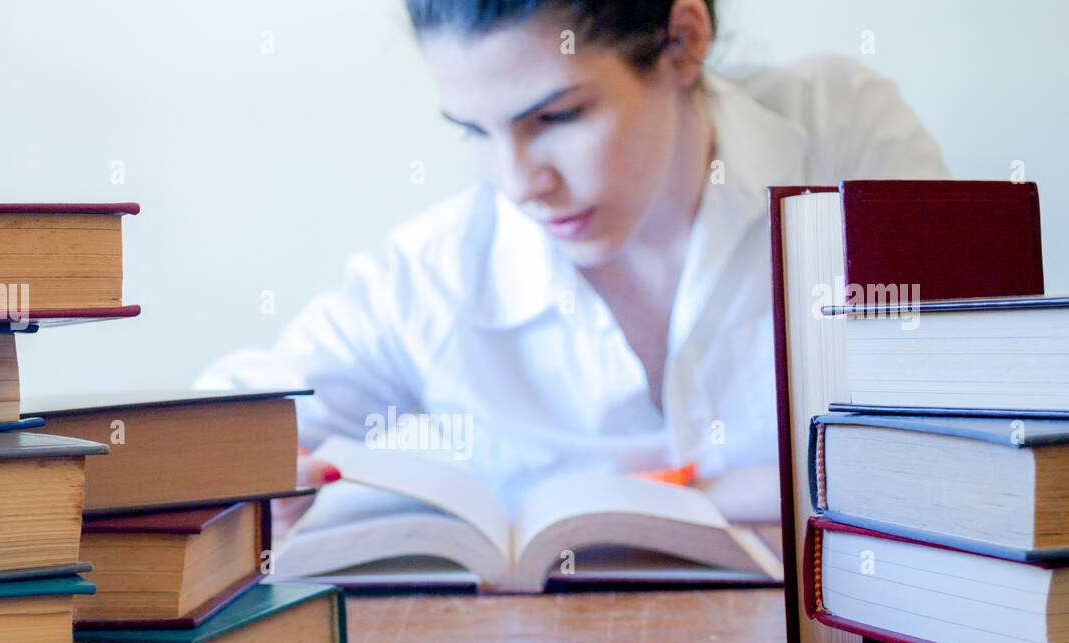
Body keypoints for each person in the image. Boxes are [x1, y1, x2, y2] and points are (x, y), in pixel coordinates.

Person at [195, 0, 949, 532]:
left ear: (683, 41)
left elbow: (979, 432)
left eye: (555, 118)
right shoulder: (440, 273)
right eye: (476, 133)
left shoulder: (840, 135)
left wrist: (693, 499)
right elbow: (214, 425)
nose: (520, 183)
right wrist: (247, 478)